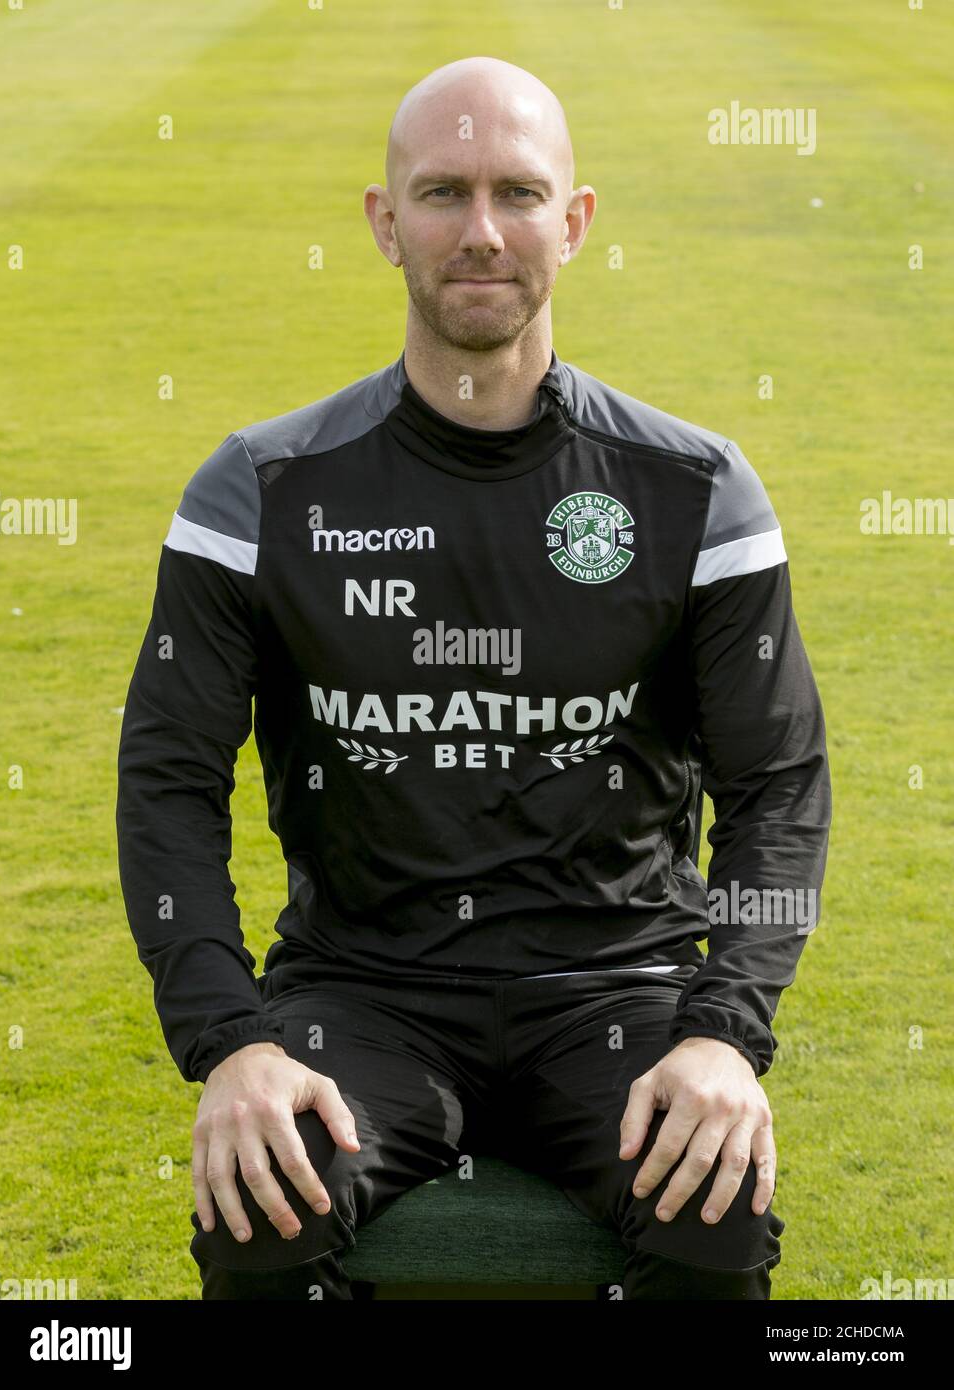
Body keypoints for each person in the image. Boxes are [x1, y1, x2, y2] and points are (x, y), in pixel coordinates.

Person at [115, 55, 832, 1301]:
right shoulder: (260, 491)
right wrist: (230, 1043)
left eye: (518, 192)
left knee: (711, 1206)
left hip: (617, 985)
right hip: (363, 991)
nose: (482, 232)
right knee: (260, 1208)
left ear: (576, 220)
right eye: (442, 193)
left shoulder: (695, 490)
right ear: (384, 221)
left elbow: (777, 789)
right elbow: (169, 781)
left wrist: (723, 1031)